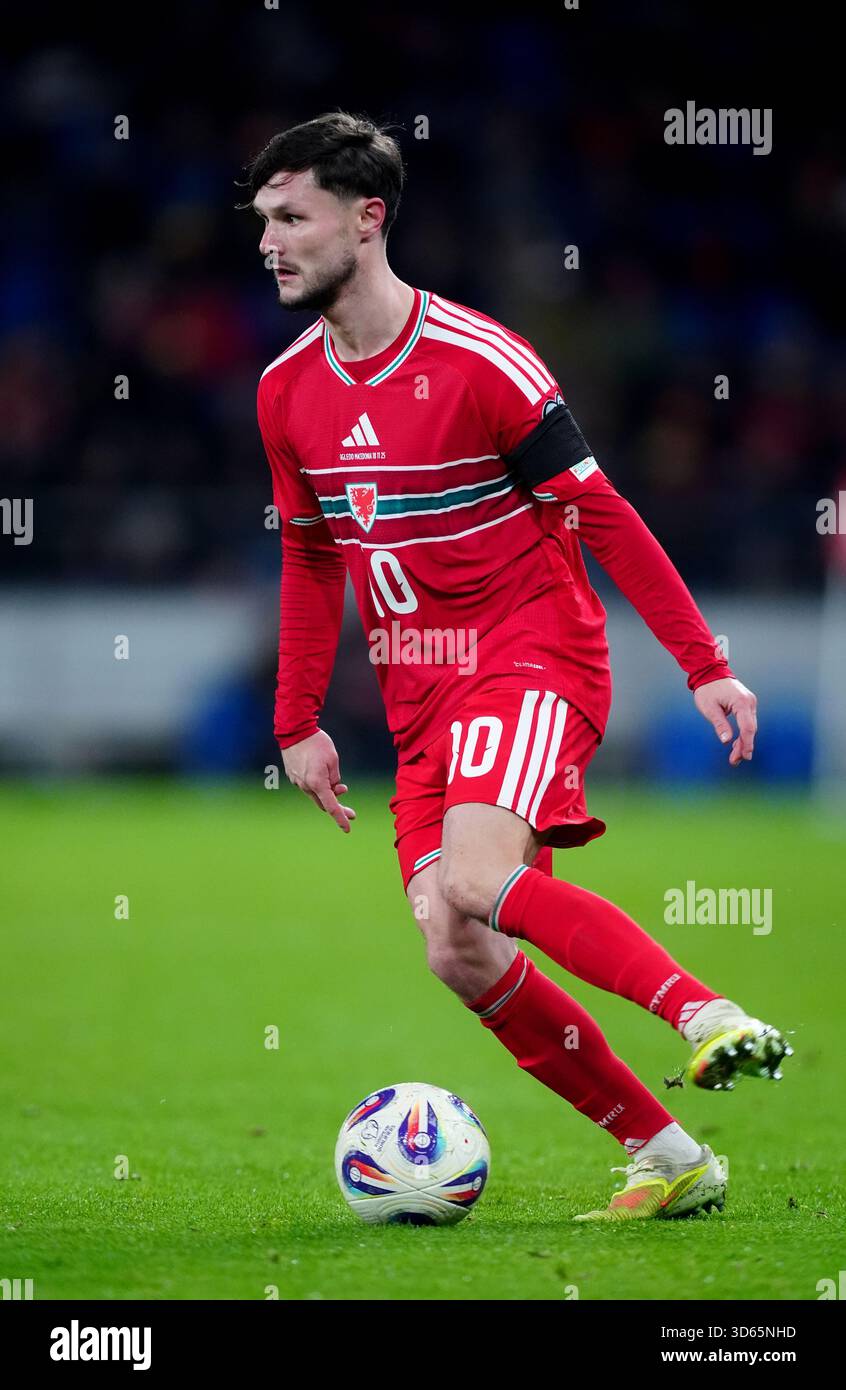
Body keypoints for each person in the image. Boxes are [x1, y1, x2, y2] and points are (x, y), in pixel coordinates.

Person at [246, 111, 791, 1222]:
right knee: (458, 946)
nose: (269, 240)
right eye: (261, 219)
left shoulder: (481, 361)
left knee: (474, 878)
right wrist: (298, 715)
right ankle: (673, 1154)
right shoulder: (285, 392)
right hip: (417, 698)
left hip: (530, 655)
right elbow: (308, 555)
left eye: (291, 216)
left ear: (368, 218)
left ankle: (704, 1013)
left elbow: (602, 514)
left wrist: (703, 663)